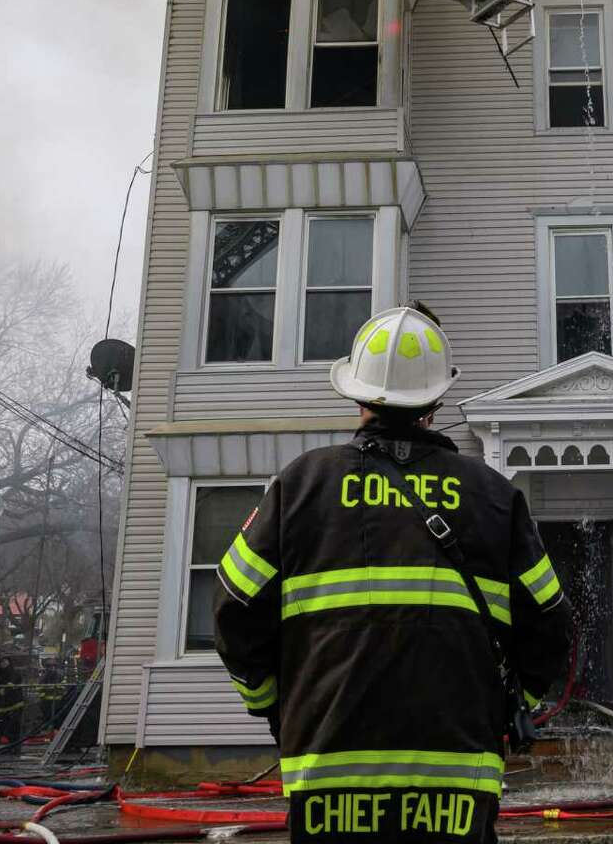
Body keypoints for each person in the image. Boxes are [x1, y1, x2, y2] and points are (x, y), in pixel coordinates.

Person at [214, 304, 573, 844]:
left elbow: (233, 613)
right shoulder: (494, 497)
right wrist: (517, 705)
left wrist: (275, 708)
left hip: (327, 775)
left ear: (358, 395)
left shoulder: (301, 487)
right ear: (436, 399)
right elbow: (550, 620)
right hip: (458, 783)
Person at [0, 652, 25, 751]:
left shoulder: (15, 674)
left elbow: (9, 686)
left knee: (12, 729)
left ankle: (14, 749)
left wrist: (3, 689)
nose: (3, 664)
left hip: (14, 707)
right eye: (1, 662)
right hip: (0, 708)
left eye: (5, 661)